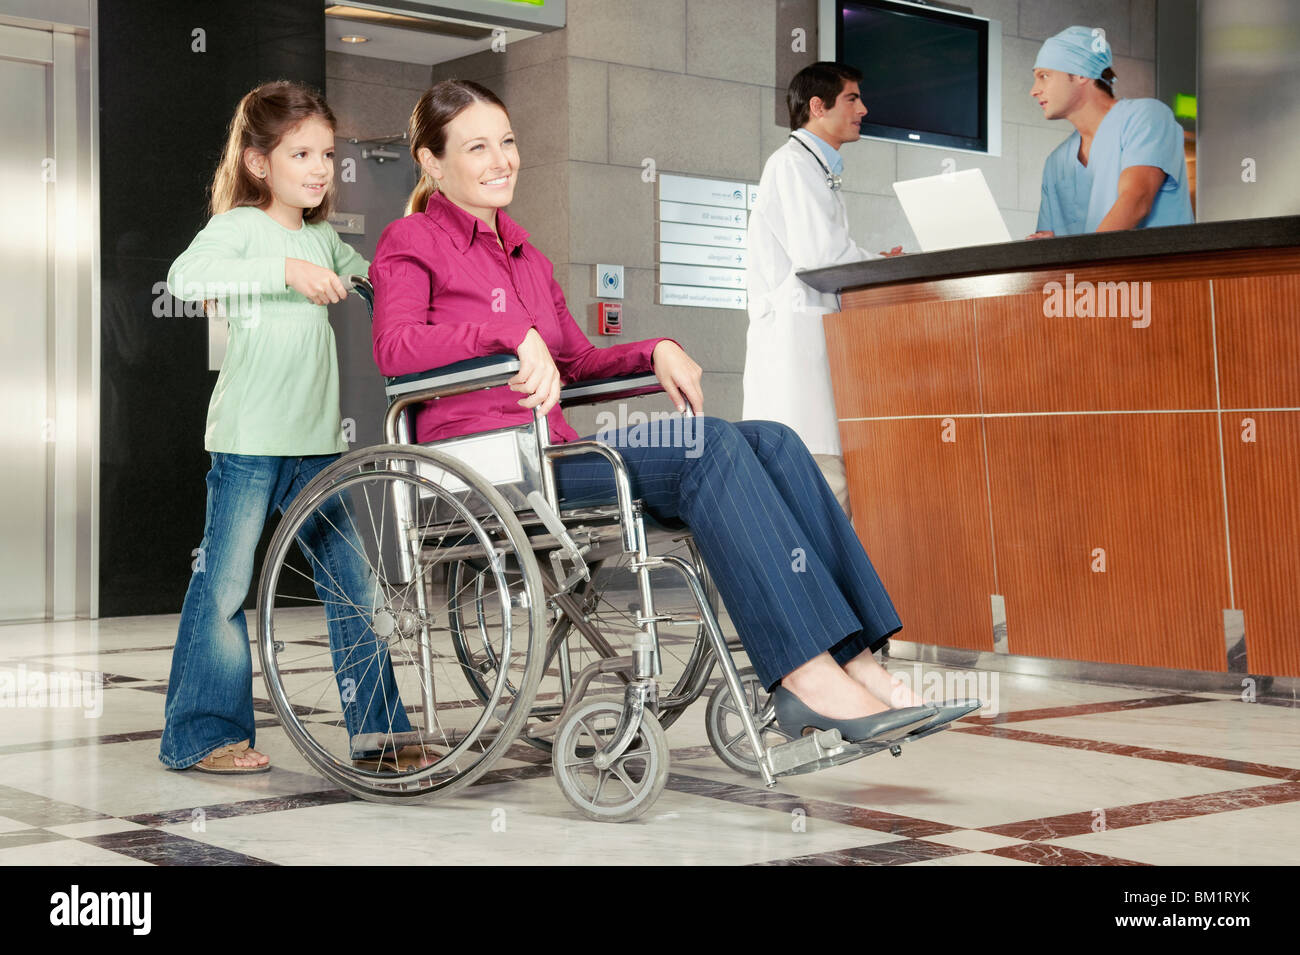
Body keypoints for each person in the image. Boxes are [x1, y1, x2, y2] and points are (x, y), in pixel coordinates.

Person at [370, 80, 973, 744]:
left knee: (772, 440)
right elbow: (396, 350)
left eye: (507, 142)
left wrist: (653, 348)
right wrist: (504, 336)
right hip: (484, 466)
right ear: (432, 162)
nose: (500, 160)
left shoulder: (528, 258)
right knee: (708, 446)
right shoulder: (411, 240)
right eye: (477, 147)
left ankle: (859, 663)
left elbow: (575, 360)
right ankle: (806, 678)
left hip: (552, 458)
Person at [159, 81, 429, 774]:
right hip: (249, 442)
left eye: (326, 154)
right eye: (301, 152)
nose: (319, 168)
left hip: (317, 447)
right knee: (222, 587)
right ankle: (202, 734)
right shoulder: (242, 230)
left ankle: (379, 737)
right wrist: (285, 271)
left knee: (355, 587)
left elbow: (381, 281)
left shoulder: (324, 240)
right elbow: (184, 278)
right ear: (258, 162)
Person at [744, 62, 904, 519]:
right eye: (852, 99)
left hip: (810, 375)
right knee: (821, 505)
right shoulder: (793, 165)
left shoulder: (812, 167)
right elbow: (822, 258)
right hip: (798, 379)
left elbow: (825, 251)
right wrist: (882, 265)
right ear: (817, 106)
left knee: (827, 503)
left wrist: (872, 260)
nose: (863, 109)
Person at [1028, 25, 1193, 238]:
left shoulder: (1146, 117)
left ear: (1080, 74)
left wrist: (1082, 261)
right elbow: (1049, 238)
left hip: (1154, 270)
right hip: (1088, 271)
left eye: (1044, 76)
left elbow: (1137, 200)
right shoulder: (1056, 162)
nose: (1034, 90)